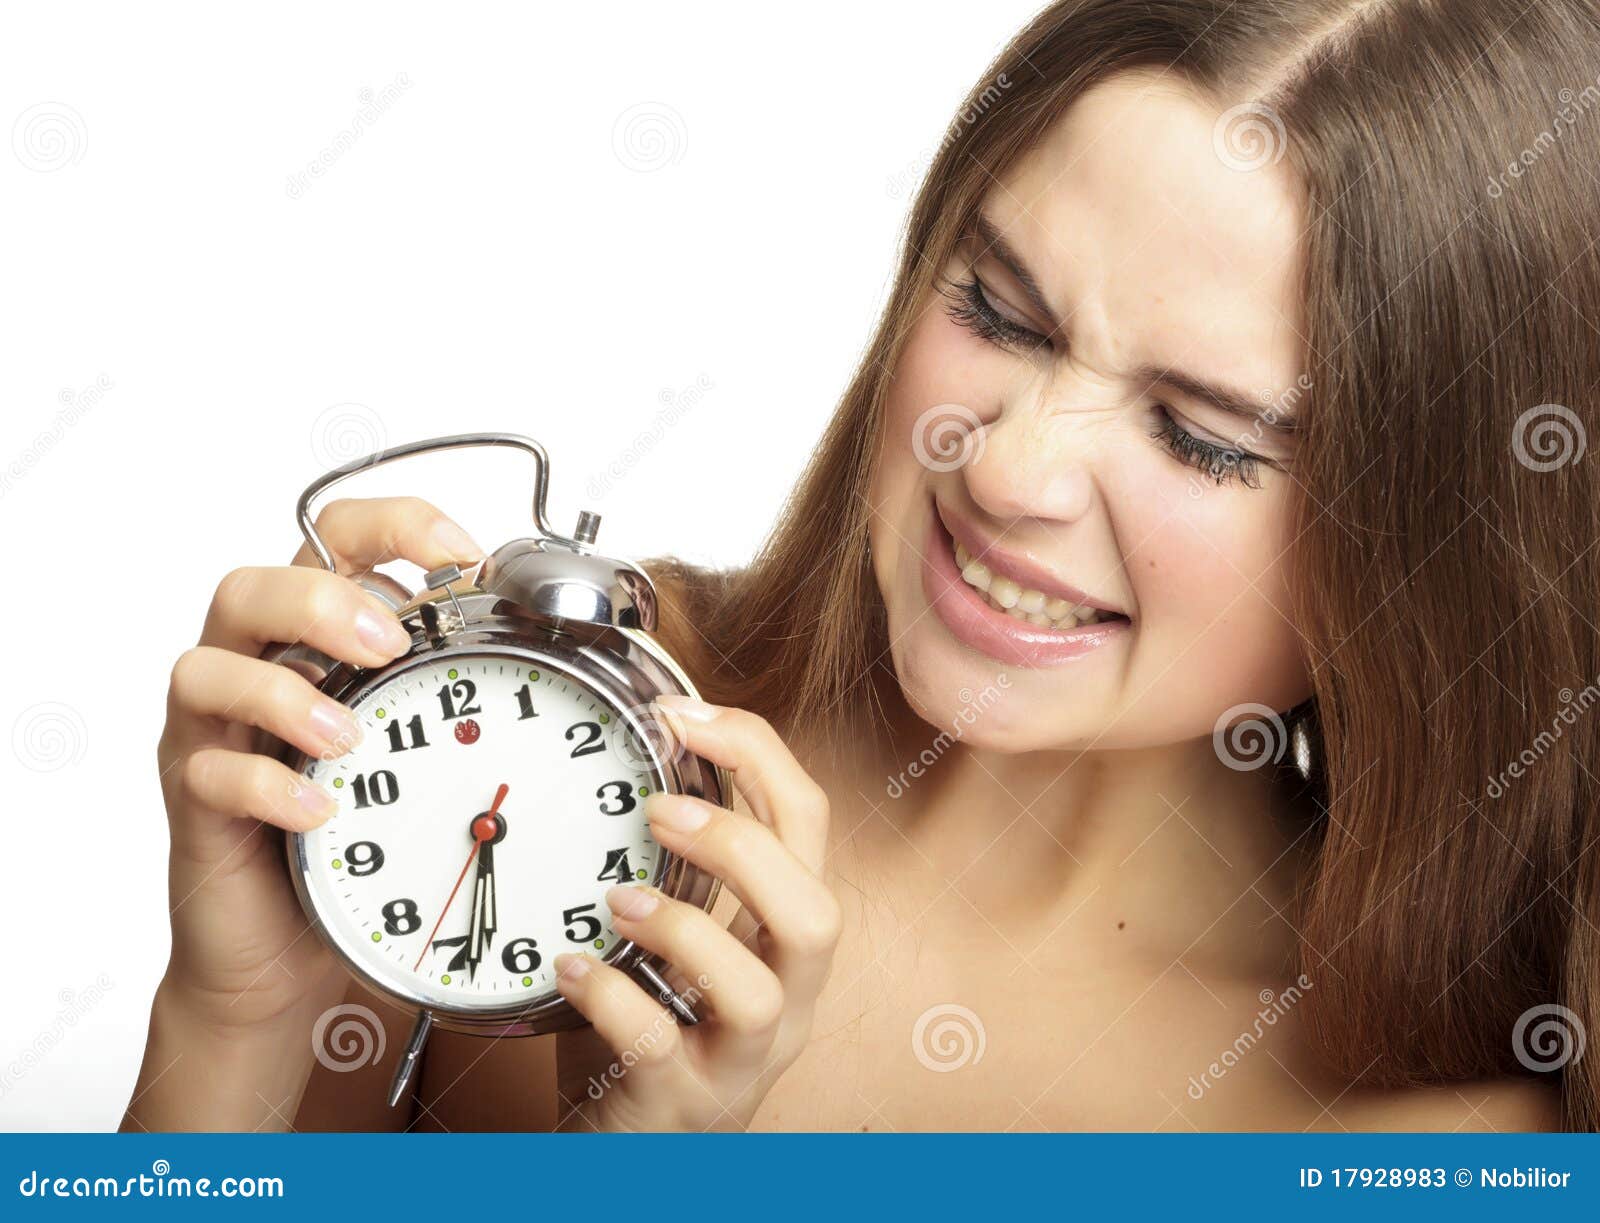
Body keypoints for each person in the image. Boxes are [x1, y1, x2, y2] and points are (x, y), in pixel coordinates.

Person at [126, 0, 1600, 1131]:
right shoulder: (513, 739)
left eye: (1203, 437)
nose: (1009, 468)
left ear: (1435, 537)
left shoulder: (1454, 1124)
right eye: (1001, 314)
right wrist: (235, 1027)